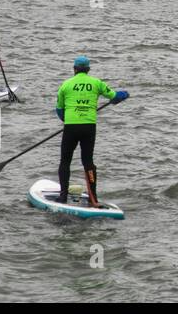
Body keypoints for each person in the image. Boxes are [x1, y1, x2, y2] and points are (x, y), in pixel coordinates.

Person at [54, 56, 128, 207]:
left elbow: (59, 110)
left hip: (71, 127)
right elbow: (114, 97)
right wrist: (124, 95)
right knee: (88, 162)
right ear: (88, 70)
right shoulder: (96, 83)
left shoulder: (66, 85)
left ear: (74, 69)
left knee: (65, 161)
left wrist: (68, 120)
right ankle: (94, 198)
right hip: (89, 128)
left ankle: (62, 196)